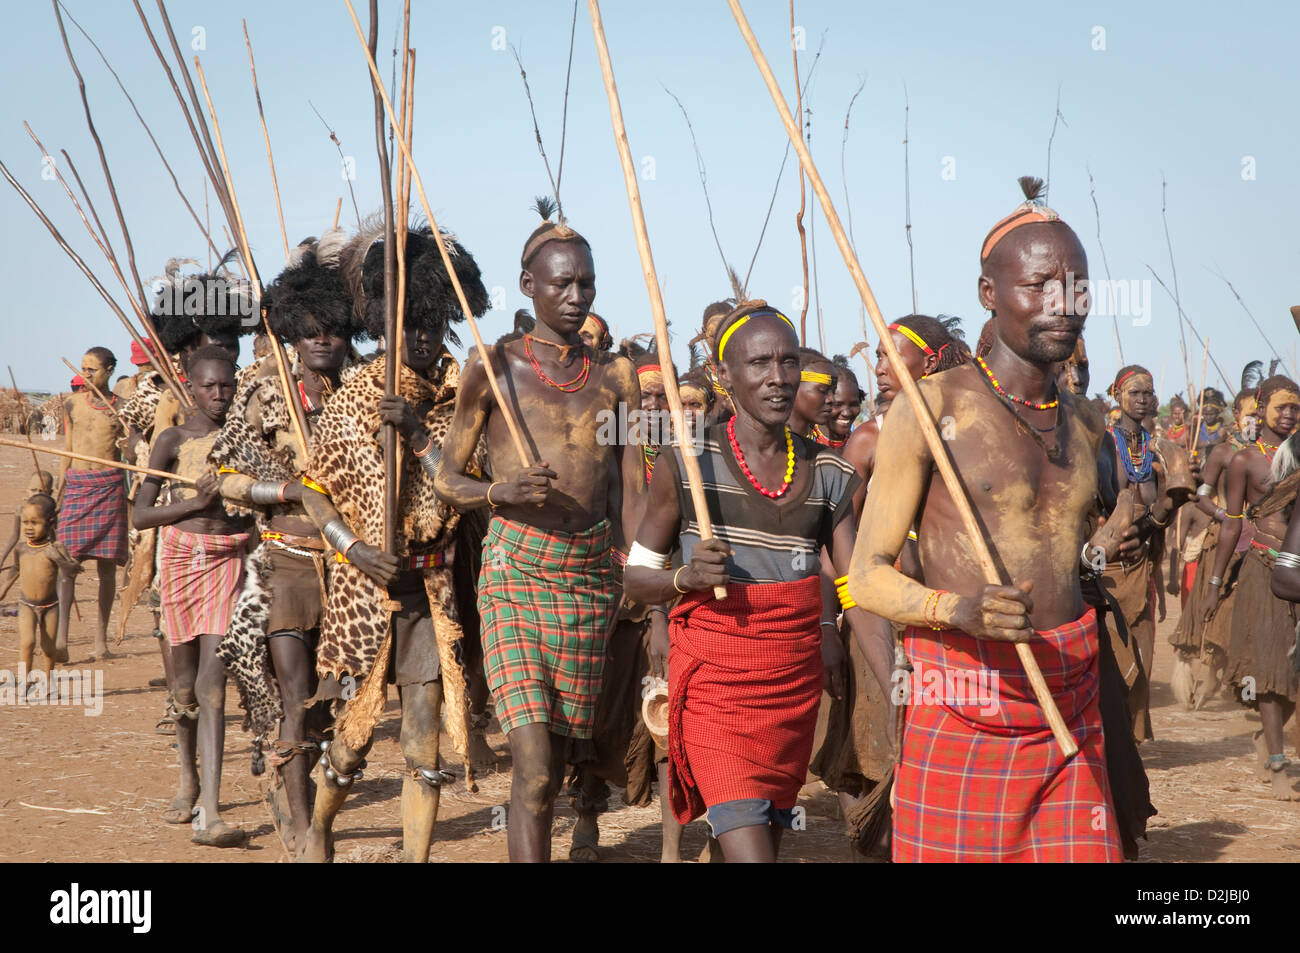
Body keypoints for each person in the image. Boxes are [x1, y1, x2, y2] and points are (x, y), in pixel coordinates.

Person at [848, 177, 1122, 862]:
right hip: (964, 690)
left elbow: (1074, 548)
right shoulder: (930, 409)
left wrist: (1111, 543)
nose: (1062, 305)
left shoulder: (1089, 424)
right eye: (1039, 287)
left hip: (1070, 690)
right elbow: (867, 576)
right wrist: (960, 608)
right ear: (988, 294)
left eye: (1076, 288)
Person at [624, 301, 868, 863]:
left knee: (761, 836)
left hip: (790, 689)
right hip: (716, 685)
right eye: (759, 364)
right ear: (725, 377)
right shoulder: (687, 464)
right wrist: (683, 578)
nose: (778, 378)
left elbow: (859, 590)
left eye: (788, 362)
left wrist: (896, 677)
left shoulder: (828, 473)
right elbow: (637, 579)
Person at [435, 211, 646, 862]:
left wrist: (643, 578)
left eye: (587, 282)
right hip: (516, 575)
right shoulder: (491, 365)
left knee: (559, 758)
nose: (577, 295)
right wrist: (501, 492)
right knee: (532, 765)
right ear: (529, 285)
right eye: (562, 284)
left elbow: (631, 489)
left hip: (590, 578)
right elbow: (445, 476)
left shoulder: (616, 377)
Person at [294, 223, 491, 863]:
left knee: (423, 745)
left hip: (431, 594)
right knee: (351, 742)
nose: (425, 336)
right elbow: (313, 488)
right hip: (366, 594)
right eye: (413, 323)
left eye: (436, 323)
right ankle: (321, 824)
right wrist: (350, 546)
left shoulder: (463, 398)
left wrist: (416, 435)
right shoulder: (354, 397)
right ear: (386, 324)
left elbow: (465, 489)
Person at [211, 229, 361, 853]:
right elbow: (225, 476)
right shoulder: (265, 394)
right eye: (310, 330)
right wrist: (285, 493)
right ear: (293, 336)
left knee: (336, 713)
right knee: (297, 700)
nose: (322, 339)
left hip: (353, 571)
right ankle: (305, 830)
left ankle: (312, 806)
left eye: (332, 328)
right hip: (286, 564)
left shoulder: (362, 394)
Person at [133, 346, 251, 847]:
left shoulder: (249, 439)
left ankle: (211, 808)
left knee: (212, 685)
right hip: (181, 559)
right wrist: (195, 504)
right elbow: (141, 515)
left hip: (231, 557)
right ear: (190, 385)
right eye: (209, 386)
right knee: (183, 689)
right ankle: (188, 779)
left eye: (227, 385)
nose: (219, 395)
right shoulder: (172, 439)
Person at [1204, 375, 1300, 799]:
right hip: (1263, 569)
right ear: (1260, 409)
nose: (1289, 413)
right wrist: (1214, 581)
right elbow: (1232, 523)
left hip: (1297, 569)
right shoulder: (1244, 461)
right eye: (1281, 406)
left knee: (1291, 674)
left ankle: (1270, 736)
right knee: (1267, 668)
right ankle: (1279, 765)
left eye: (1295, 407)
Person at [55, 347, 127, 662]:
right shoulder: (71, 405)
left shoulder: (122, 409)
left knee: (107, 567)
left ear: (109, 370)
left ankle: (100, 640)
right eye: (83, 370)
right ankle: (61, 639)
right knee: (66, 565)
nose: (86, 376)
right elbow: (68, 450)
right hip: (77, 488)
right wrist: (59, 490)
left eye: (93, 370)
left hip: (109, 487)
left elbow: (131, 450)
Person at [12, 494, 79, 682]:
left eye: (35, 522)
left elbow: (72, 571)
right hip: (26, 604)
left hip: (50, 606)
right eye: (25, 522)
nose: (28, 528)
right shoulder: (21, 548)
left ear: (49, 523)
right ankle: (24, 681)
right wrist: (3, 589)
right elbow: (16, 570)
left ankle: (48, 681)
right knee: (27, 642)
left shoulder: (56, 548)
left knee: (48, 648)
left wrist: (58, 559)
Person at [789, 348, 836, 443]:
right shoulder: (765, 446)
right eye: (823, 390)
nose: (831, 399)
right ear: (794, 386)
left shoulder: (821, 451)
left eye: (834, 391)